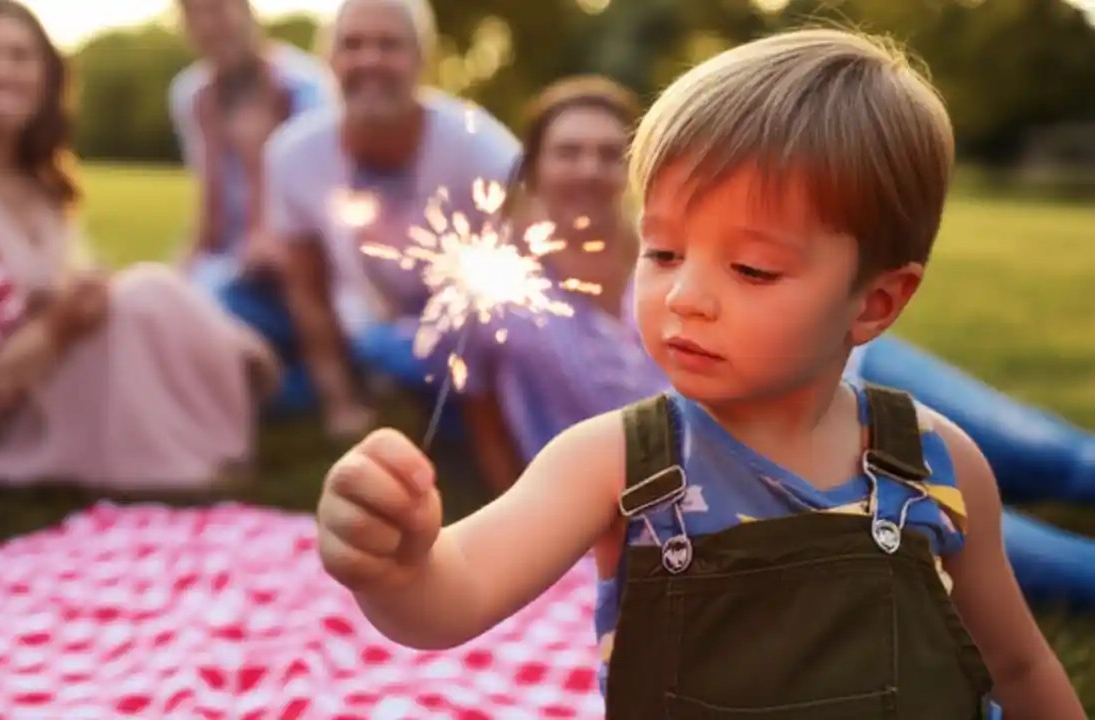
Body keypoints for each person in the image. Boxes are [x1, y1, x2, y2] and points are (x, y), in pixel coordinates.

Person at [316, 29, 1084, 718]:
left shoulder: (938, 464)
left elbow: (1017, 664)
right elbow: (453, 596)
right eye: (663, 253)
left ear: (875, 303)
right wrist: (397, 568)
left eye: (750, 267)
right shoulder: (611, 461)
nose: (684, 297)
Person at [459, 74, 1095, 605]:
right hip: (760, 457)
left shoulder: (677, 241)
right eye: (569, 151)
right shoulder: (501, 295)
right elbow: (473, 398)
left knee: (1042, 451)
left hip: (853, 358)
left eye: (607, 153)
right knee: (1022, 550)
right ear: (534, 167)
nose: (589, 169)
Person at [0, 0, 278, 489]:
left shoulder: (43, 184)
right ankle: (237, 372)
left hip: (57, 356)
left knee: (144, 292)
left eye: (20, 57)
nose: (2, 71)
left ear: (45, 78)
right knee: (147, 293)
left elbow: (66, 291)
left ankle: (226, 394)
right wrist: (60, 319)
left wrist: (75, 299)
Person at [260, 0, 520, 438]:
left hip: (462, 331)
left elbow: (522, 283)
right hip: (358, 322)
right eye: (353, 45)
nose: (370, 60)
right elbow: (306, 290)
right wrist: (339, 404)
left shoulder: (482, 148)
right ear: (329, 60)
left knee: (426, 371)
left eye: (389, 45)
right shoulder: (292, 154)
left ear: (422, 60)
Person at [170, 0, 332, 350]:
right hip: (227, 267)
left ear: (246, 10)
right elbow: (208, 215)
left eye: (215, 10)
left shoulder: (306, 88)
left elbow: (324, 207)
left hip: (301, 264)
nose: (207, 26)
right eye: (192, 15)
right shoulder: (191, 96)